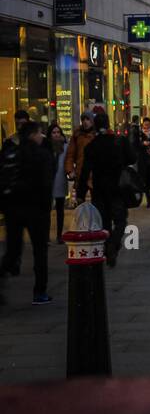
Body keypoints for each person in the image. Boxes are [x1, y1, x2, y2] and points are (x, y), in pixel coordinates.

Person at [1, 122, 55, 304]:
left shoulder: (11, 154)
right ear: (33, 134)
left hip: (13, 210)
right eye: (40, 133)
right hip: (36, 210)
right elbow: (47, 185)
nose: (42, 137)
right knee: (40, 252)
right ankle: (40, 292)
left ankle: (2, 276)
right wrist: (47, 208)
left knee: (13, 251)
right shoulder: (42, 155)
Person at [76, 112, 134, 267]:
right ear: (108, 124)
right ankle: (114, 244)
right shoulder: (119, 142)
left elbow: (85, 171)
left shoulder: (91, 146)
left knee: (104, 222)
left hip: (99, 190)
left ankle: (109, 247)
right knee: (121, 220)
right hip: (117, 189)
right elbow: (132, 158)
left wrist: (80, 193)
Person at [47, 123, 70, 244]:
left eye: (58, 132)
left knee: (60, 209)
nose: (56, 135)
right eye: (54, 132)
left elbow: (68, 160)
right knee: (47, 210)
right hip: (48, 180)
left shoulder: (65, 146)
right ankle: (46, 236)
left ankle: (59, 235)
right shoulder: (46, 146)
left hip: (60, 179)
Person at [64, 110, 96, 186]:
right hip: (80, 173)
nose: (85, 122)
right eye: (83, 119)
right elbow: (70, 154)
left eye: (87, 119)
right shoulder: (77, 135)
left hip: (94, 175)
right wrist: (70, 170)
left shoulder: (96, 135)